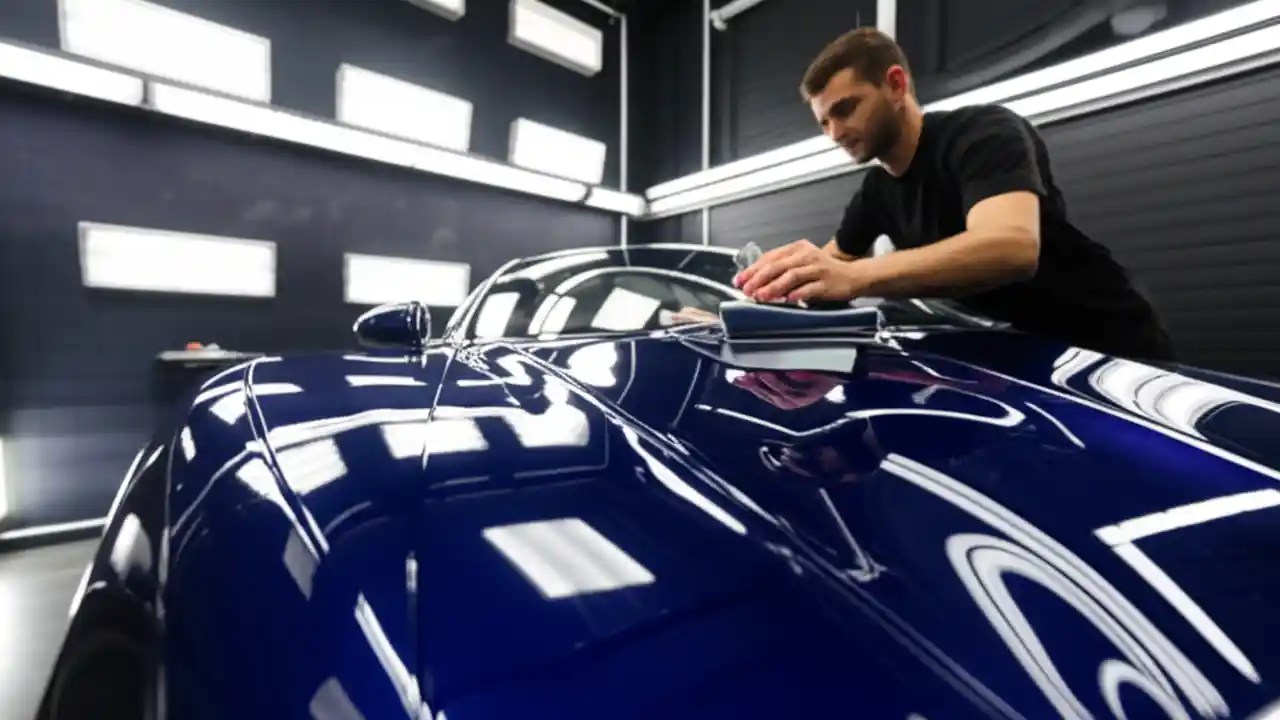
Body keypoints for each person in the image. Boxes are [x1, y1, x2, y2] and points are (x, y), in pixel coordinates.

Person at [734, 28, 1174, 360]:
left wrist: (858, 276)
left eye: (845, 110)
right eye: (824, 122)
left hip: (1113, 346)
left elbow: (1010, 248)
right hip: (1030, 352)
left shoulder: (982, 133)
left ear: (895, 85)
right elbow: (829, 271)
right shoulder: (876, 192)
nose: (835, 133)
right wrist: (762, 303)